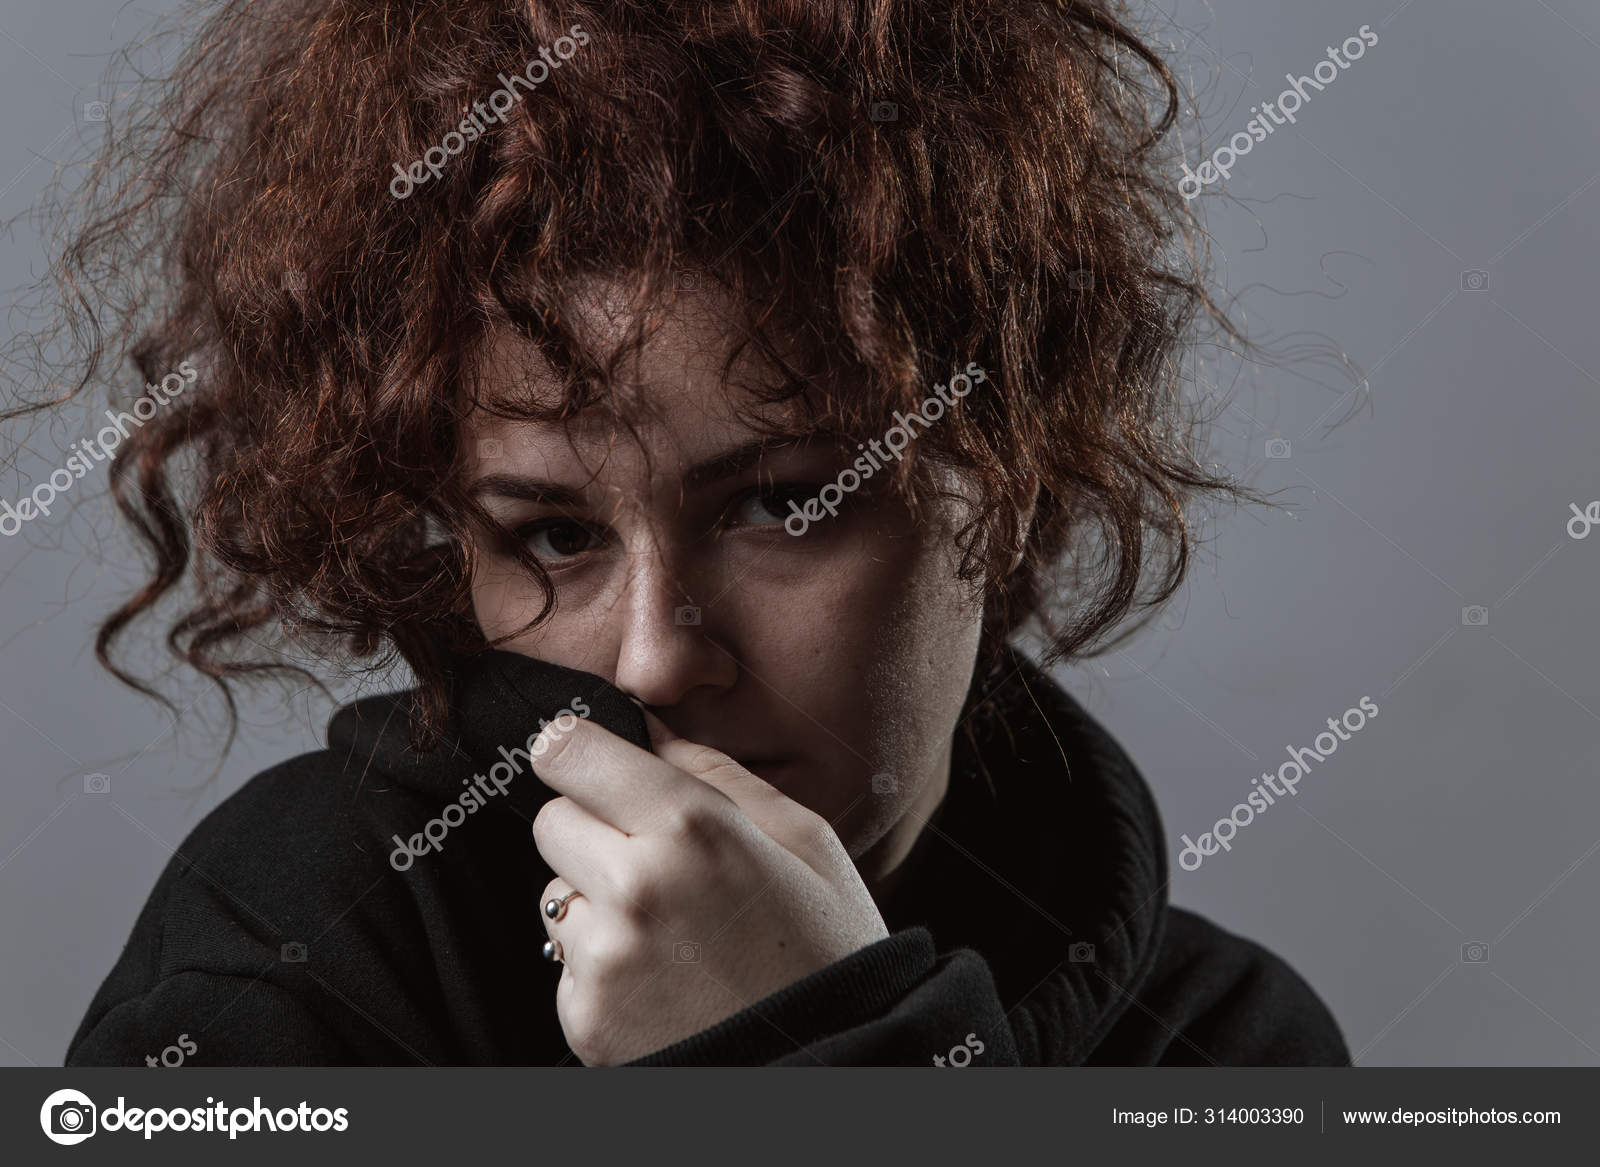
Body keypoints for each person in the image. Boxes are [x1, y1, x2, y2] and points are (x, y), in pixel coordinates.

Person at [25, 0, 1346, 1066]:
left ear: (1005, 485)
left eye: (783, 505)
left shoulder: (1221, 1050)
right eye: (550, 536)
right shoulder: (298, 954)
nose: (653, 663)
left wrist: (825, 1062)